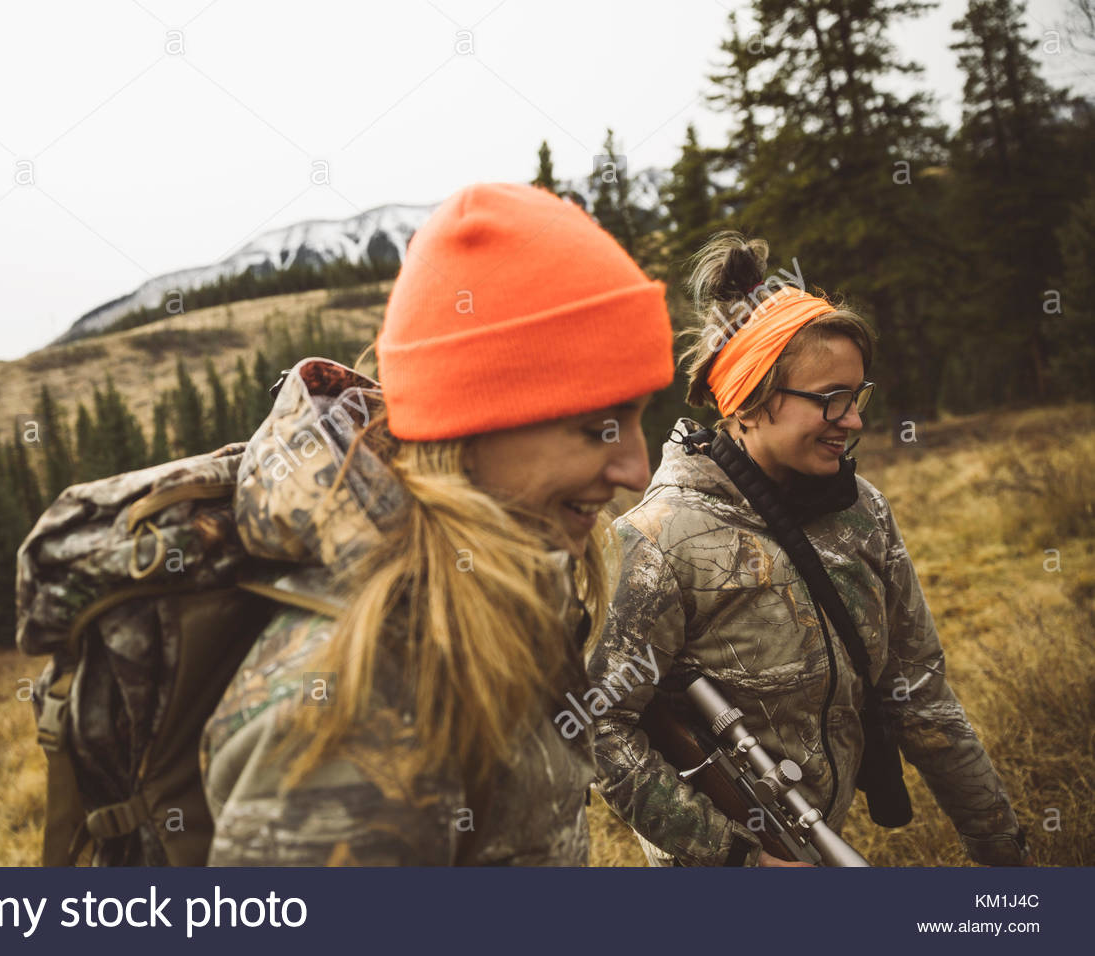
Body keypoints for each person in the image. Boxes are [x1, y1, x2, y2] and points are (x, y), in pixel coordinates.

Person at [200, 182, 674, 865]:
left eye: (639, 417)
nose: (637, 467)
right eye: (598, 427)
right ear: (472, 427)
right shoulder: (361, 710)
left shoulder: (504, 594)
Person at [587, 232, 1030, 867]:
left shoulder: (863, 512)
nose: (852, 420)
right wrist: (738, 858)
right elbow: (602, 727)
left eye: (857, 396)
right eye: (829, 400)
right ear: (748, 401)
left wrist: (1002, 852)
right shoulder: (658, 541)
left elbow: (921, 695)